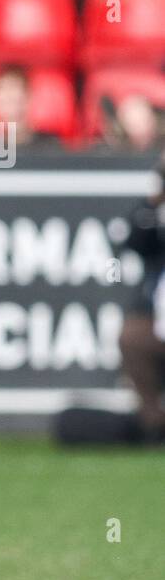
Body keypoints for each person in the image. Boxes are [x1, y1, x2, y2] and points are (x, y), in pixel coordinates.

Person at [119, 160, 165, 441]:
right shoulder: (154, 211)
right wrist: (155, 205)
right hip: (157, 315)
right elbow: (134, 240)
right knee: (133, 338)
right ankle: (155, 425)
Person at [0, 66, 64, 150]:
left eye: (17, 101)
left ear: (30, 99)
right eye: (5, 102)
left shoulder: (52, 147)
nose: (13, 111)